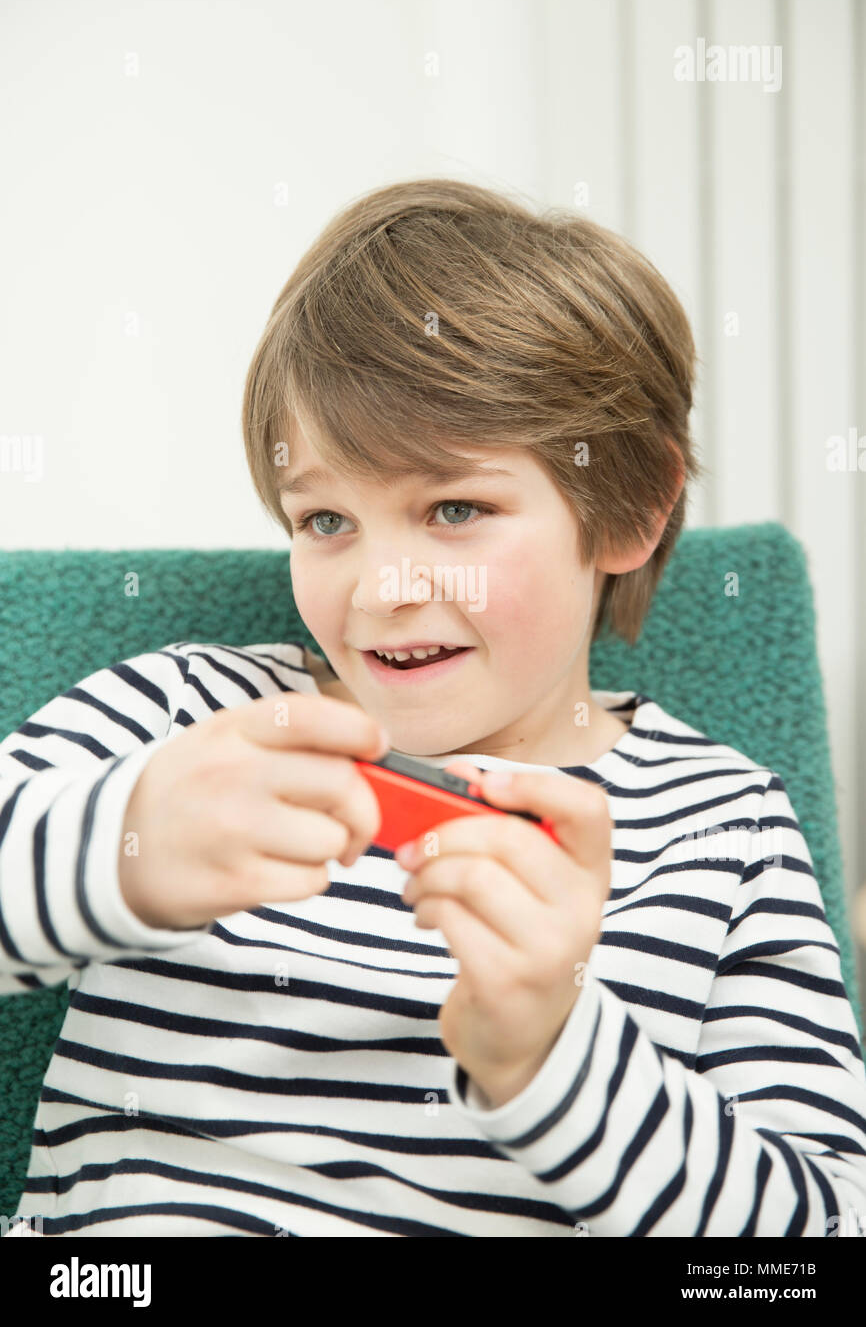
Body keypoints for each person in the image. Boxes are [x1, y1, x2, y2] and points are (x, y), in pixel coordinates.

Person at [2, 178, 865, 1237]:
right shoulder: (187, 715)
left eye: (453, 508)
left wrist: (551, 1053)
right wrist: (122, 844)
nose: (377, 589)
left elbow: (811, 1237)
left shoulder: (722, 824)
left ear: (628, 512)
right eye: (324, 518)